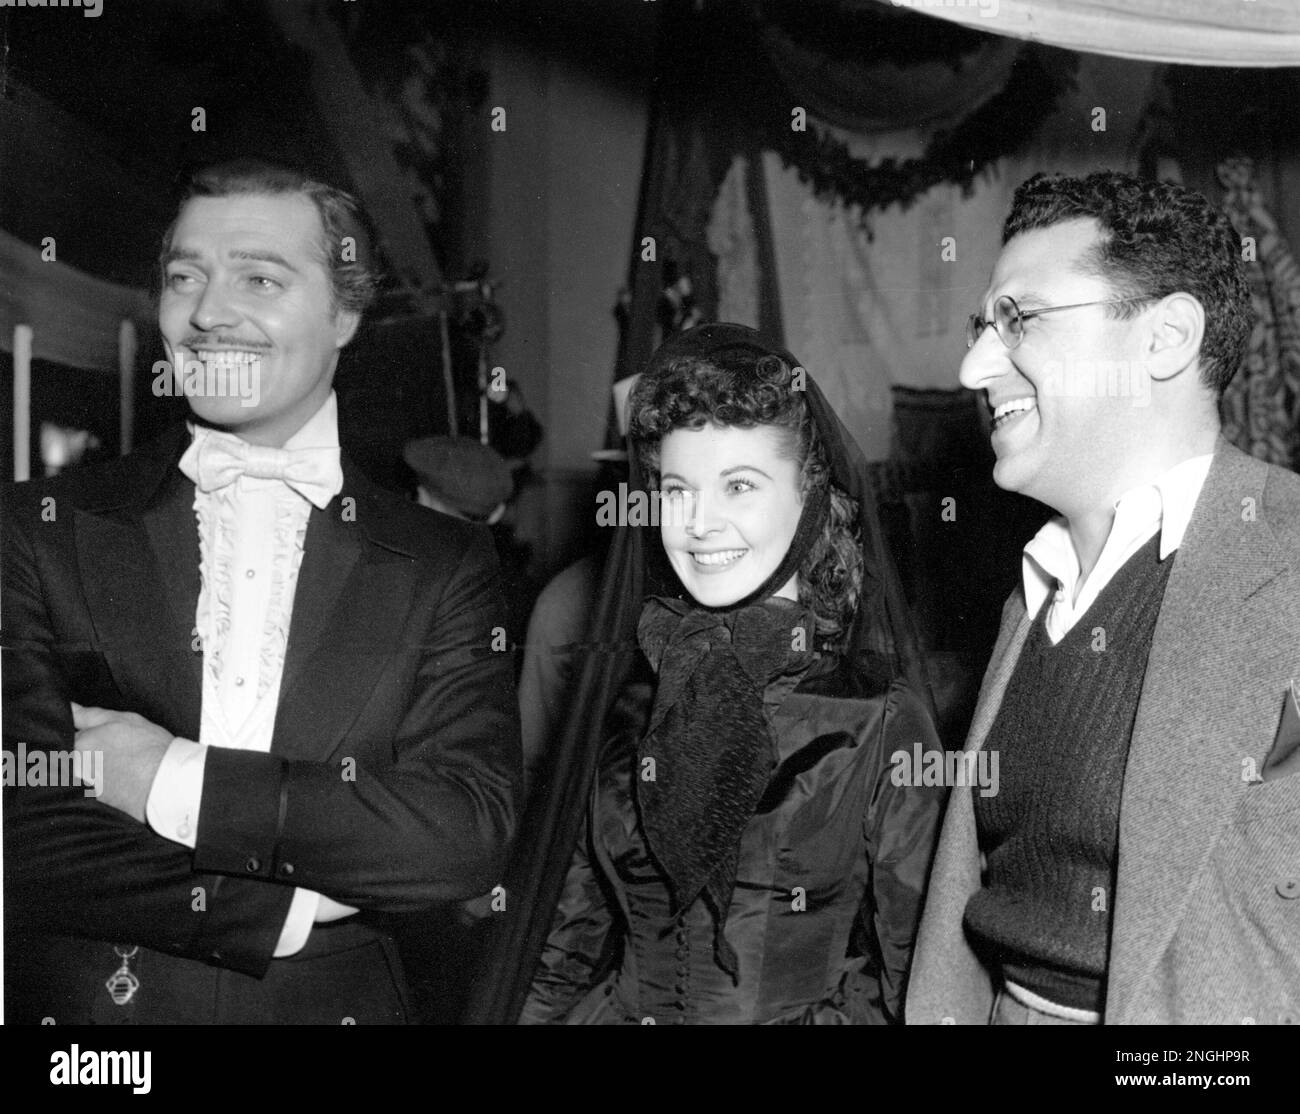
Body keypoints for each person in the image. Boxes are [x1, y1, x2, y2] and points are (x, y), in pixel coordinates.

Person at [2, 159, 520, 1024]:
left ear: (346, 311)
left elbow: (462, 836)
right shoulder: (36, 525)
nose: (207, 312)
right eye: (184, 277)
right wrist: (288, 907)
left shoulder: (443, 562)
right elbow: (17, 829)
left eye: (260, 277)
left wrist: (165, 777)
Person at [907, 170, 1300, 1026]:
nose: (974, 366)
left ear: (1164, 339)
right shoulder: (1034, 589)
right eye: (982, 326)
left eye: (1020, 319)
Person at [520, 324, 946, 1024]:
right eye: (678, 489)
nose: (699, 523)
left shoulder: (875, 719)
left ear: (811, 496)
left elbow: (914, 978)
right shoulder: (632, 697)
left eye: (739, 485)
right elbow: (565, 945)